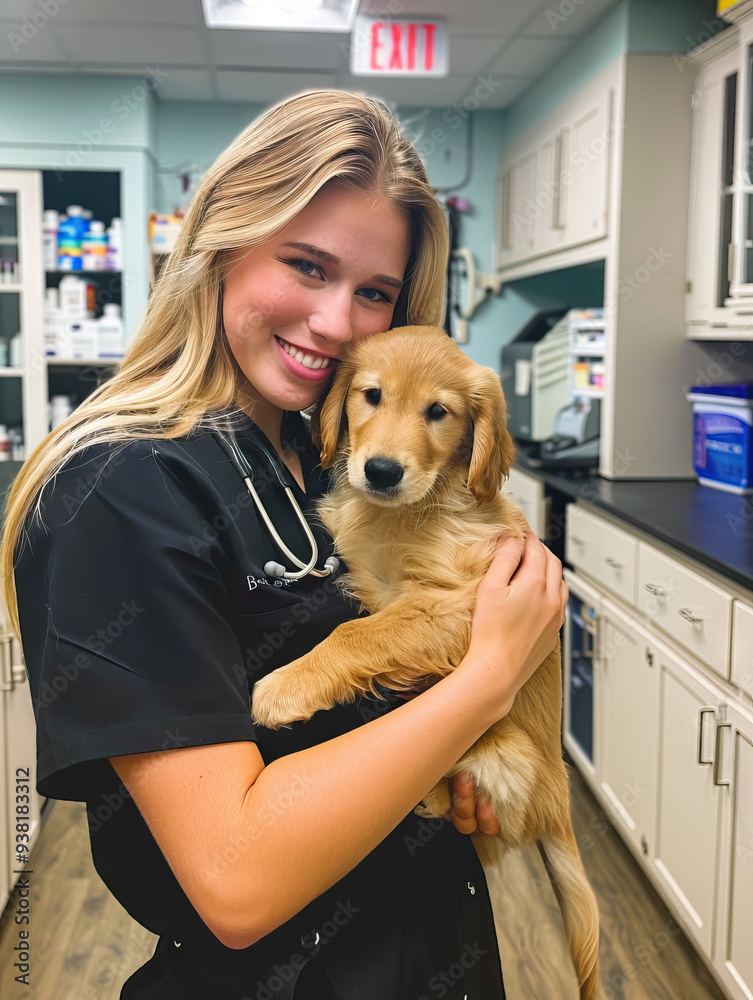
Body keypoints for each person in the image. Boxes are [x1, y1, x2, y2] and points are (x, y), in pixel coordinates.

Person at [0, 91, 567, 999]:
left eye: (374, 292)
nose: (338, 324)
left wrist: (460, 742)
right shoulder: (119, 490)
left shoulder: (317, 444)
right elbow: (234, 879)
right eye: (306, 267)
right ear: (221, 242)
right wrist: (487, 678)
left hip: (430, 945)